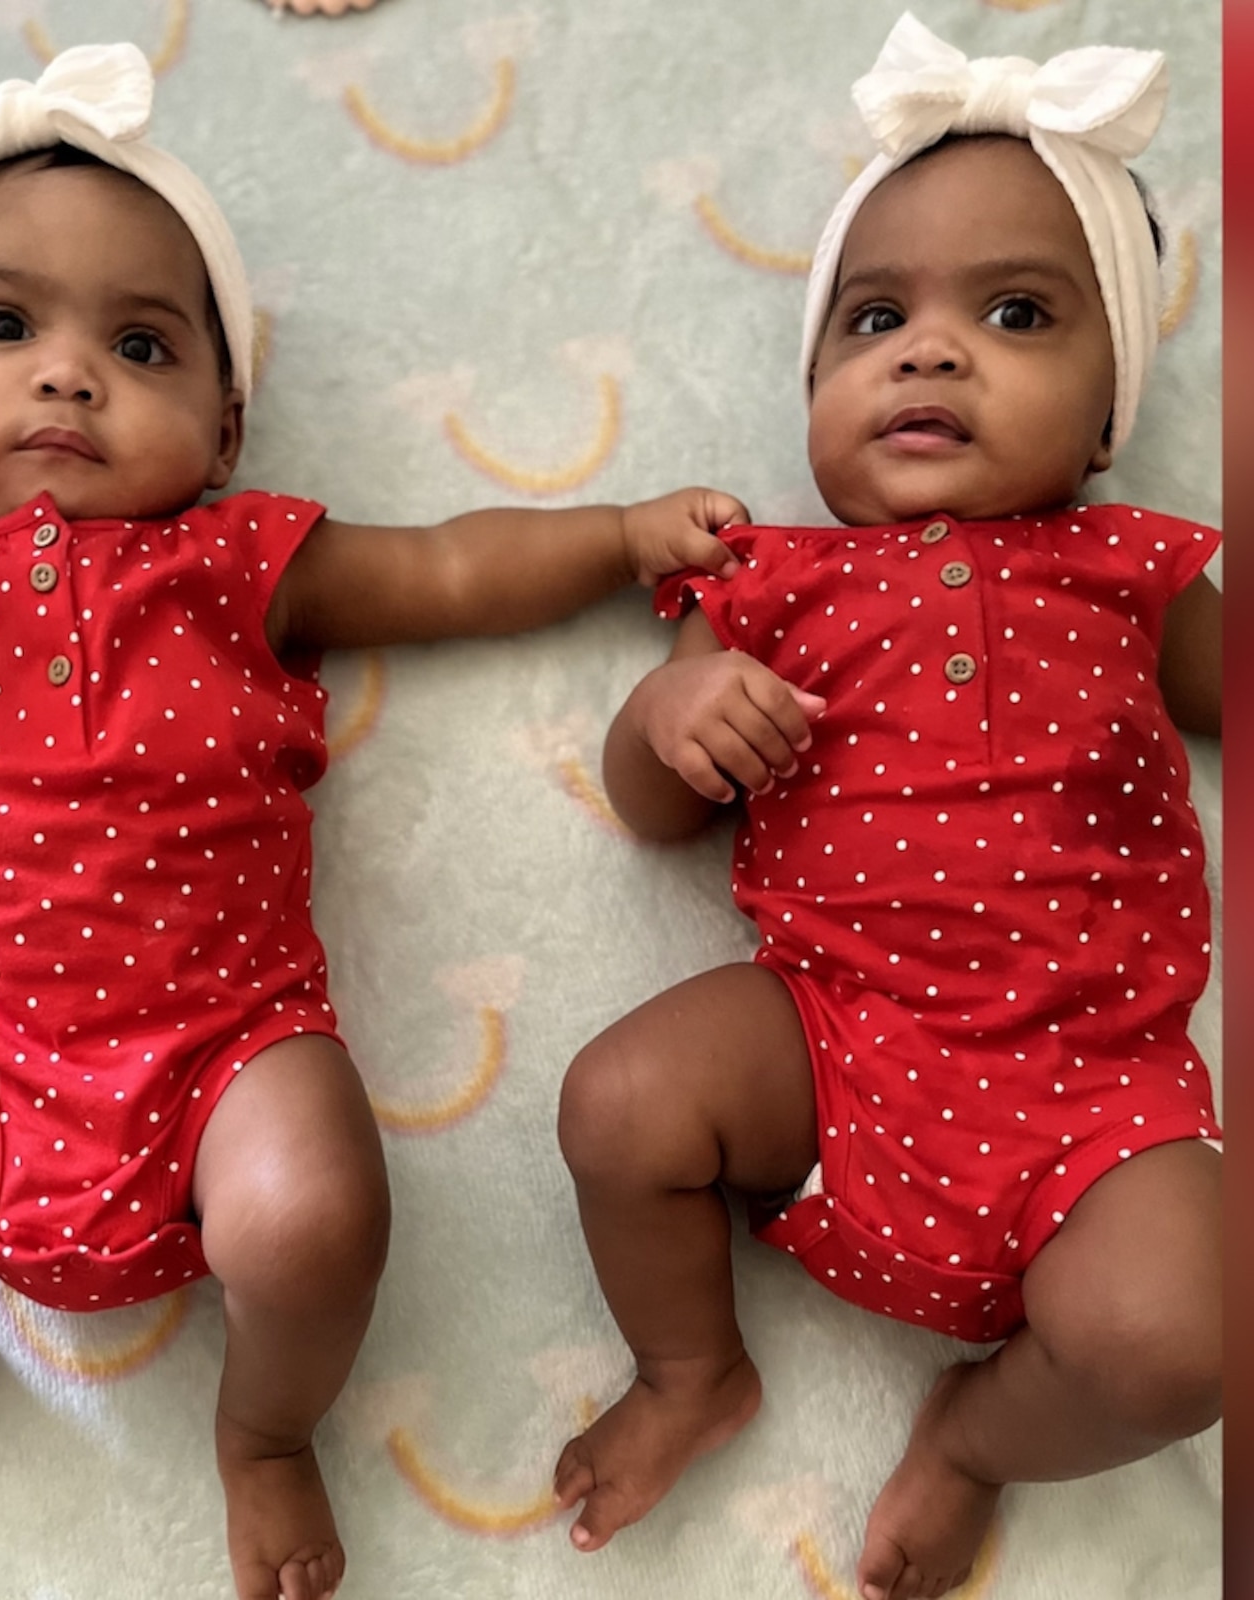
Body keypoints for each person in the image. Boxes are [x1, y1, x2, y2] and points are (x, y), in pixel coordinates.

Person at [0, 43, 746, 1600]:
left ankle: (263, 1432)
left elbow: (451, 567)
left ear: (227, 428)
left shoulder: (236, 561)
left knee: (316, 1221)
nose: (67, 373)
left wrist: (619, 533)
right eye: (4, 325)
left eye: (138, 344)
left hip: (223, 1042)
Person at [550, 16, 1222, 1600]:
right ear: (816, 386)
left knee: (1193, 1340)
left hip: (1098, 1083)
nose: (930, 351)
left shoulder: (1134, 567)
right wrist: (668, 721)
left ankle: (980, 1437)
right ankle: (691, 1368)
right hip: (833, 1026)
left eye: (1014, 313)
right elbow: (649, 805)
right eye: (875, 318)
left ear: (1108, 415)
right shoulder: (771, 580)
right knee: (620, 1104)